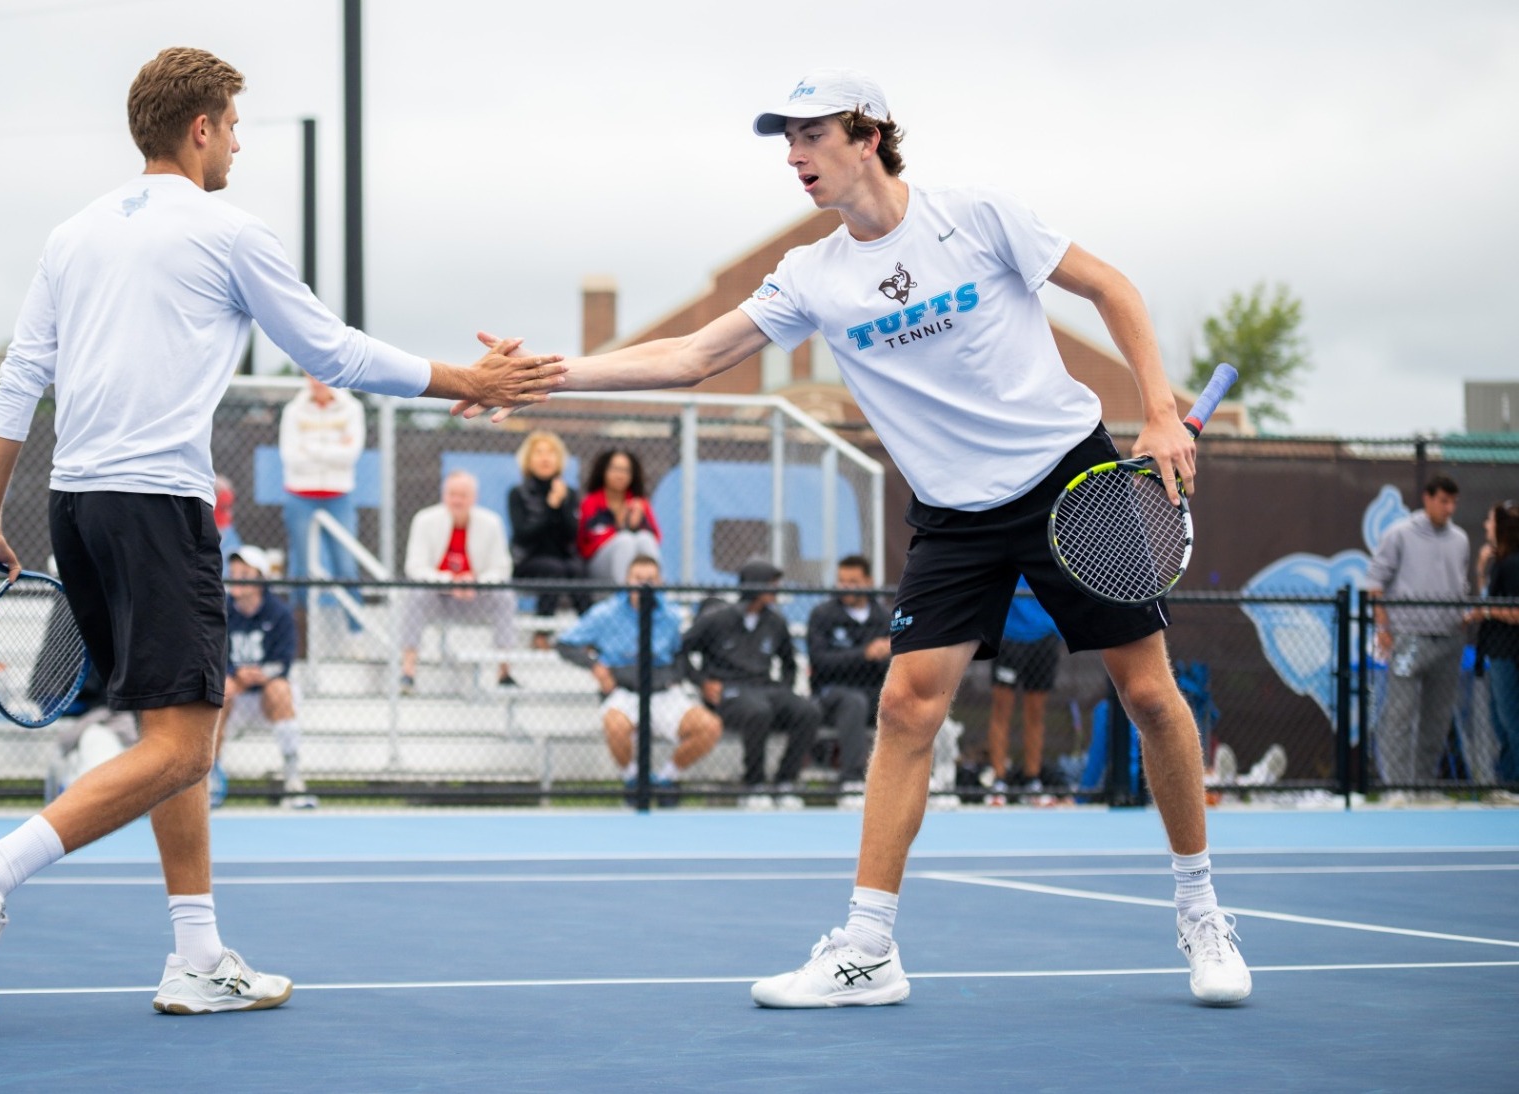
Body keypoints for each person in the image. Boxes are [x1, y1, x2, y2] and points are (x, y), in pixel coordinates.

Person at [462, 68, 1251, 1005]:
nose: (793, 156)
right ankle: (869, 948)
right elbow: (692, 355)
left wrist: (1156, 410)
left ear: (867, 136)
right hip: (954, 513)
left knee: (1149, 695)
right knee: (905, 709)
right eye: (785, 141)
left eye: (810, 135)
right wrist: (547, 376)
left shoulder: (975, 216)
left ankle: (1201, 912)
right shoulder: (812, 275)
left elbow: (1109, 287)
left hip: (1066, 477)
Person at [0, 48, 563, 1019]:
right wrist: (466, 380)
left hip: (74, 505)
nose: (236, 145)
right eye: (232, 127)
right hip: (157, 506)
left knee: (169, 728)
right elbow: (331, 352)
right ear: (201, 128)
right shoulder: (229, 231)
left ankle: (196, 956)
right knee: (188, 746)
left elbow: (21, 377)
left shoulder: (71, 234)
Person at [555, 553, 721, 803]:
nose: (644, 585)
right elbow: (565, 644)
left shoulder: (673, 616)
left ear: (660, 582)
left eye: (650, 580)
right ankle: (634, 780)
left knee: (709, 727)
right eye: (638, 579)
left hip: (664, 693)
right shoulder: (605, 614)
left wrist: (699, 682)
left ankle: (665, 780)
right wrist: (595, 666)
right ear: (627, 580)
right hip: (624, 692)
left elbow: (681, 656)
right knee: (615, 726)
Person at [682, 559, 820, 810]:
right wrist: (702, 683)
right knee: (758, 711)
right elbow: (680, 652)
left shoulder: (776, 622)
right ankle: (753, 784)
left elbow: (789, 663)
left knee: (807, 710)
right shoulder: (717, 619)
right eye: (771, 584)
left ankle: (785, 782)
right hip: (729, 689)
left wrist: (785, 689)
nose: (777, 590)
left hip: (765, 687)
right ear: (756, 585)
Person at [1368, 476, 1473, 787]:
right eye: (1443, 501)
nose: (1449, 508)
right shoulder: (1399, 534)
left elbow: (1461, 583)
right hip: (1408, 637)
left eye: (1453, 502)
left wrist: (1461, 616)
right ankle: (1397, 787)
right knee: (1399, 714)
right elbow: (1375, 584)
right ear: (1427, 499)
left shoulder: (1460, 539)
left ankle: (1423, 785)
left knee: (1437, 719)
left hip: (1450, 639)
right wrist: (1383, 628)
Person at [399, 470, 519, 693]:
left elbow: (502, 568)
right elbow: (415, 567)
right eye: (452, 494)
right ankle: (408, 672)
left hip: (476, 598)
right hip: (437, 598)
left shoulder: (491, 523)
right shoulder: (425, 520)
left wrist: (475, 583)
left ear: (474, 498)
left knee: (505, 597)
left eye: (463, 495)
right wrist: (449, 582)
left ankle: (504, 672)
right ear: (443, 495)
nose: (457, 500)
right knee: (415, 595)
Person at [216, 545, 313, 808]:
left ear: (260, 579)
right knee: (218, 690)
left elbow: (283, 662)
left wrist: (259, 674)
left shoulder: (279, 613)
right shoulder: (221, 611)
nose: (236, 578)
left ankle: (293, 779)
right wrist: (235, 674)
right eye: (234, 572)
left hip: (266, 697)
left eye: (244, 573)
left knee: (280, 688)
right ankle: (209, 778)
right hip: (234, 696)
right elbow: (212, 655)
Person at [805, 555, 889, 811]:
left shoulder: (884, 616)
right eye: (842, 581)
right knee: (854, 702)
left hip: (874, 692)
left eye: (853, 582)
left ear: (868, 582)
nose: (846, 587)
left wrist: (887, 653)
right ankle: (852, 781)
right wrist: (863, 654)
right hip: (832, 693)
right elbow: (820, 661)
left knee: (904, 699)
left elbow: (896, 664)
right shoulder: (823, 615)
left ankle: (917, 779)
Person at [279, 377, 363, 624]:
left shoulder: (352, 408)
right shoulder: (293, 410)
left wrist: (310, 448)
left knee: (345, 566)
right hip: (299, 496)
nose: (317, 381)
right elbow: (291, 458)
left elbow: (350, 456)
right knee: (300, 569)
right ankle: (300, 634)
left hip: (339, 497)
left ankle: (355, 631)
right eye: (311, 374)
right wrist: (334, 448)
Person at [508, 430, 589, 641]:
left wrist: (562, 506)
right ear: (528, 459)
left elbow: (572, 535)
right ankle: (542, 634)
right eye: (539, 452)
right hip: (528, 560)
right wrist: (550, 507)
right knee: (553, 569)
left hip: (562, 558)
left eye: (551, 452)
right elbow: (523, 535)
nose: (545, 458)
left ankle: (589, 632)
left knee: (577, 569)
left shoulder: (569, 493)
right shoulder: (518, 493)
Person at [986, 577, 1063, 794]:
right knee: (1001, 709)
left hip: (1043, 636)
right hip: (1007, 636)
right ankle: (999, 780)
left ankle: (1032, 779)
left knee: (1035, 712)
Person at [1469, 500, 1519, 784]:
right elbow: (1488, 599)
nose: (1486, 526)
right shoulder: (1501, 562)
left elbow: (1512, 612)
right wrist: (1480, 567)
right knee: (1500, 720)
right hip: (1497, 651)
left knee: (1511, 720)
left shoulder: (1513, 564)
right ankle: (1508, 780)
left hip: (1509, 652)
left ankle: (1513, 781)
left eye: (1490, 521)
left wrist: (1486, 612)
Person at [576, 449, 662, 585]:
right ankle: (625, 593)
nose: (620, 475)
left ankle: (654, 590)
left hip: (635, 560)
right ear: (603, 471)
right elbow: (587, 543)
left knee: (645, 538)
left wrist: (638, 525)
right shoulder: (591, 502)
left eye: (626, 470)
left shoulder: (639, 503)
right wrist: (619, 526)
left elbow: (656, 537)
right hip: (599, 564)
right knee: (624, 541)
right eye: (615, 469)